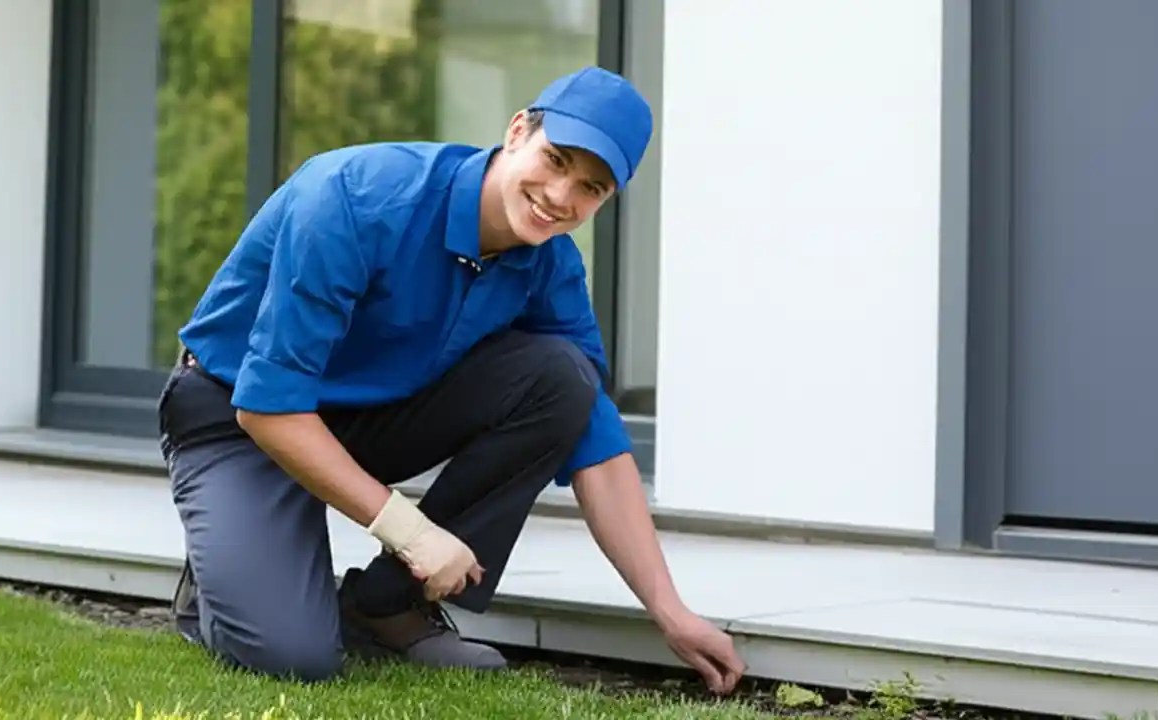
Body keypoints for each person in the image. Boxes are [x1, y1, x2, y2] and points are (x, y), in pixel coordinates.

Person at [157, 65, 746, 695]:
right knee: (294, 656)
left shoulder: (550, 267)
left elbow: (597, 444)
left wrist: (670, 611)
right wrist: (413, 533)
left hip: (358, 417)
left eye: (591, 187)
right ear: (518, 131)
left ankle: (384, 604)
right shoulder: (354, 197)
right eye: (555, 160)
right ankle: (219, 577)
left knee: (563, 381)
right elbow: (269, 408)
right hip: (235, 417)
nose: (560, 195)